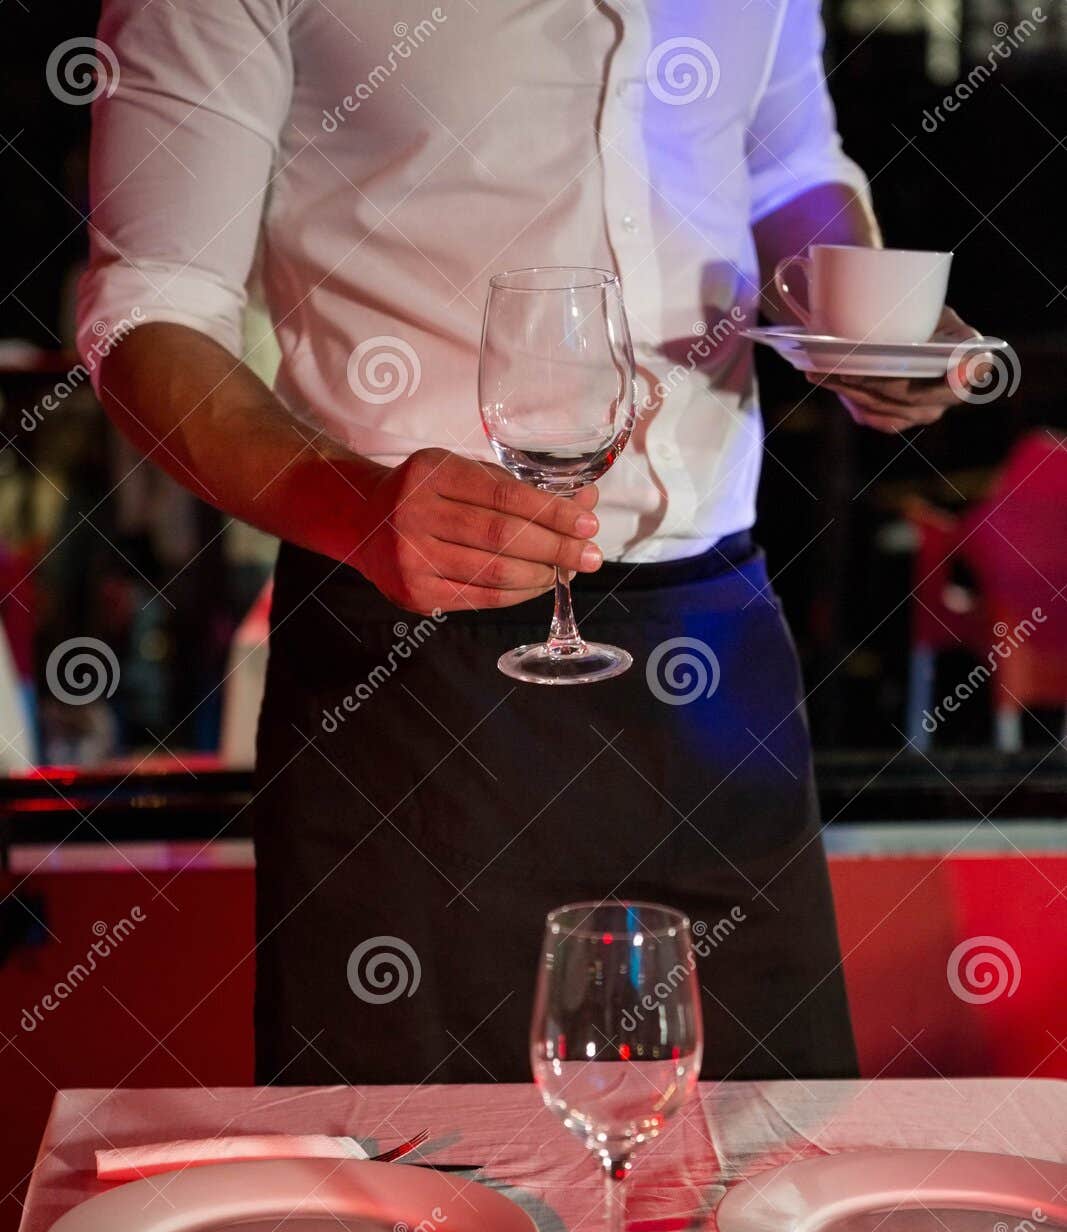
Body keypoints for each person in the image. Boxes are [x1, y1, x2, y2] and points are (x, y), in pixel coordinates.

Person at [80, 1, 974, 1086]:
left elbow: (783, 164)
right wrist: (351, 505)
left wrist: (861, 312)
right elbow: (151, 311)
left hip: (718, 647)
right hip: (409, 655)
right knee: (416, 1201)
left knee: (754, 1176)